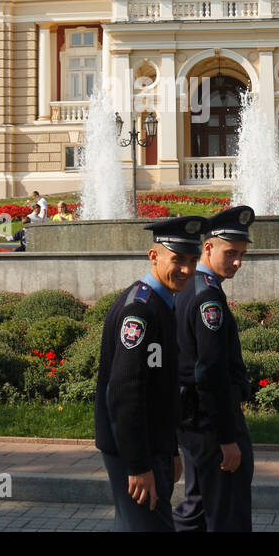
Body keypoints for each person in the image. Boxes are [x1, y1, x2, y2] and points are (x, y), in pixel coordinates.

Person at [95, 215, 203, 531]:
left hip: (151, 446)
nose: (187, 269)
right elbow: (126, 392)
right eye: (178, 259)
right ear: (153, 256)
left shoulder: (159, 302)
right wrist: (139, 465)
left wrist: (170, 449)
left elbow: (160, 387)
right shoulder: (140, 310)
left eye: (193, 260)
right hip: (136, 450)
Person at [174, 206, 255, 533]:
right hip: (212, 425)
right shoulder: (208, 298)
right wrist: (227, 438)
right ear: (207, 247)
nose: (237, 262)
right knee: (227, 514)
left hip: (191, 422)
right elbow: (209, 371)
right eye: (231, 253)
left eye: (242, 255)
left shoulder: (186, 286)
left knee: (196, 508)